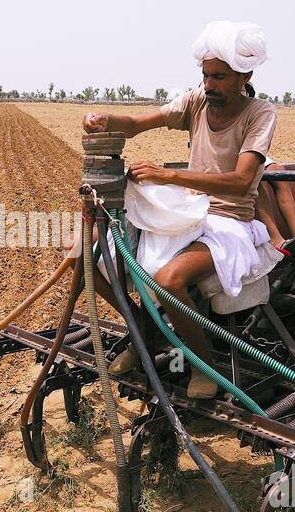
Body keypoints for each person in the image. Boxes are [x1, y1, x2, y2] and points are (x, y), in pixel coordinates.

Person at [82, 21, 282, 399]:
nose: (209, 85)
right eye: (205, 75)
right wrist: (106, 120)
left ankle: (201, 365)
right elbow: (139, 124)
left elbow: (241, 181)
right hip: (188, 212)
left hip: (228, 220)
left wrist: (168, 176)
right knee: (87, 259)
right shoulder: (196, 102)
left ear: (245, 75)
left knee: (168, 280)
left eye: (219, 77)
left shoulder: (260, 114)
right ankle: (142, 331)